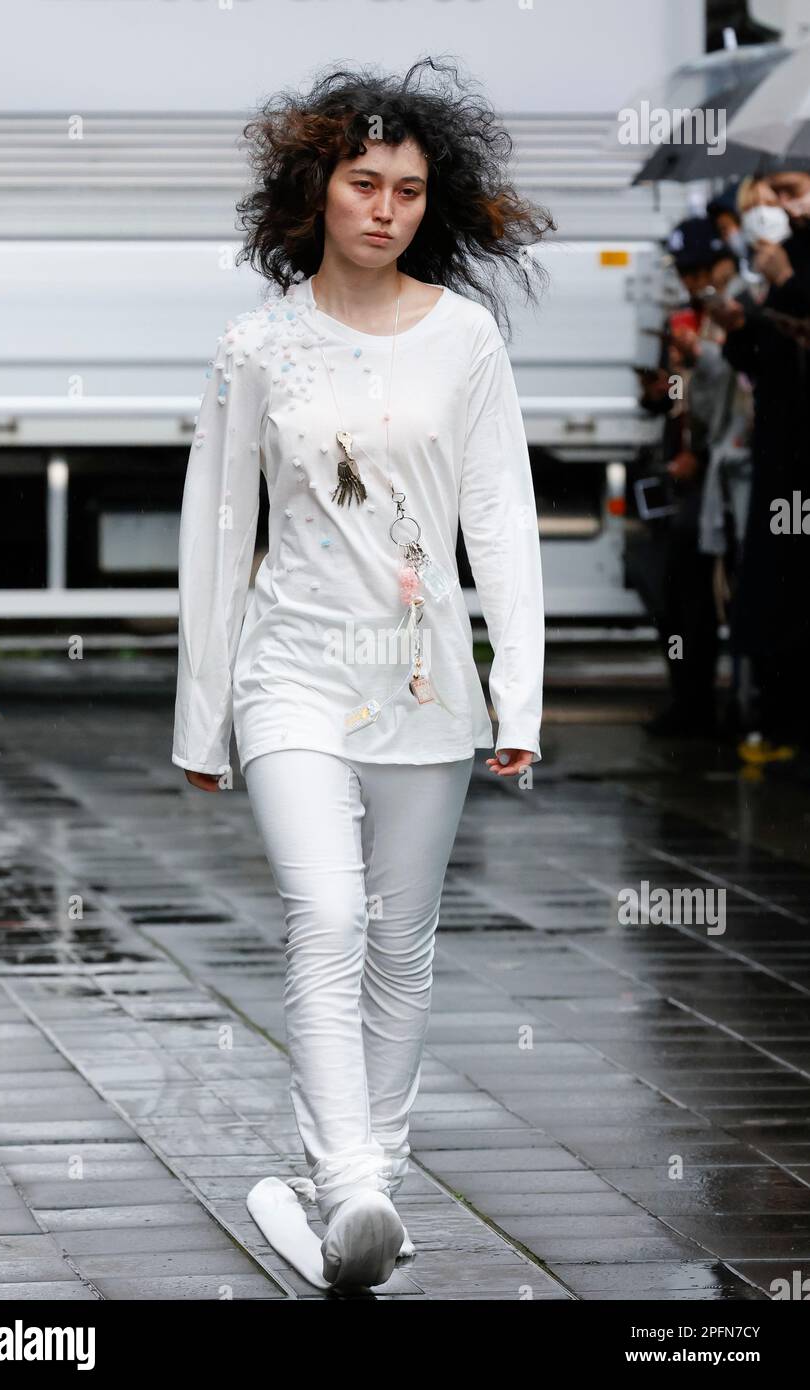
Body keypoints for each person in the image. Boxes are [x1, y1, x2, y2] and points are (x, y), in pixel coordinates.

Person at [171, 58, 550, 1291]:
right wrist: (204, 713)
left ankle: (363, 1192)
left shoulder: (466, 338)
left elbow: (500, 524)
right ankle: (348, 1182)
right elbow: (220, 533)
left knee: (402, 942)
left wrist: (519, 698)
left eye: (407, 189)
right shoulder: (257, 343)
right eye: (361, 182)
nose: (384, 208)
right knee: (327, 916)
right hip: (289, 674)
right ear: (314, 190)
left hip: (428, 684)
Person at [708, 170, 810, 764]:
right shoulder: (774, 261)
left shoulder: (789, 266)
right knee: (774, 589)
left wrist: (790, 284)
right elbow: (768, 356)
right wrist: (739, 331)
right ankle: (775, 724)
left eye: (792, 189)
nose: (782, 205)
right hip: (780, 451)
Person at [636, 217, 739, 739]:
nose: (697, 281)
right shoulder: (679, 320)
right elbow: (668, 400)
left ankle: (716, 705)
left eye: (704, 269)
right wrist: (660, 390)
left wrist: (699, 454)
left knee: (704, 596)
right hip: (679, 475)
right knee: (668, 591)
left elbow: (736, 403)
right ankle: (688, 697)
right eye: (687, 271)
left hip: (716, 478)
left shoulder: (733, 319)